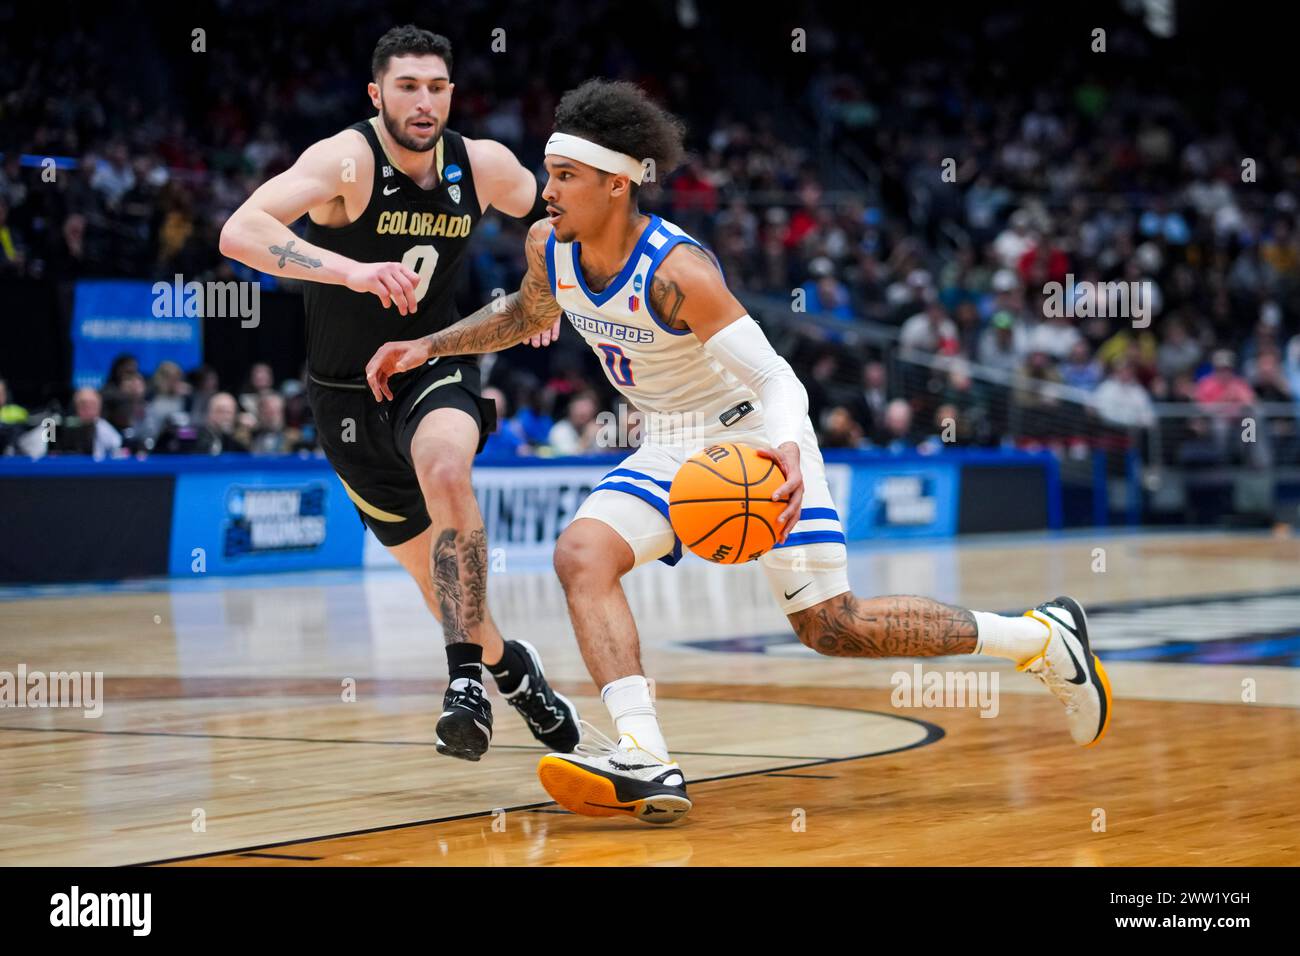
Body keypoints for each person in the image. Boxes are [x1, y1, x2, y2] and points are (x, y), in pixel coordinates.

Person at [366, 80, 1111, 824]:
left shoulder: (677, 273)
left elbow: (775, 377)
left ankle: (1039, 638)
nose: (547, 190)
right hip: (669, 440)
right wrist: (429, 346)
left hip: (754, 438)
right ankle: (645, 754)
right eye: (548, 173)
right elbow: (528, 313)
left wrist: (787, 447)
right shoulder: (549, 246)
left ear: (616, 184)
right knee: (581, 556)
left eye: (564, 176)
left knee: (833, 627)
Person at [219, 25, 579, 761]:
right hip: (343, 397)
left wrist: (546, 290)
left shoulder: (481, 164)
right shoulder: (345, 160)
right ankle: (513, 671)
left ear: (452, 94)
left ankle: (464, 687)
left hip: (430, 363)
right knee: (446, 589)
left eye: (437, 87)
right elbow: (239, 231)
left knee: (447, 468)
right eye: (408, 87)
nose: (424, 102)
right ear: (376, 93)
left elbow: (563, 214)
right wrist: (349, 271)